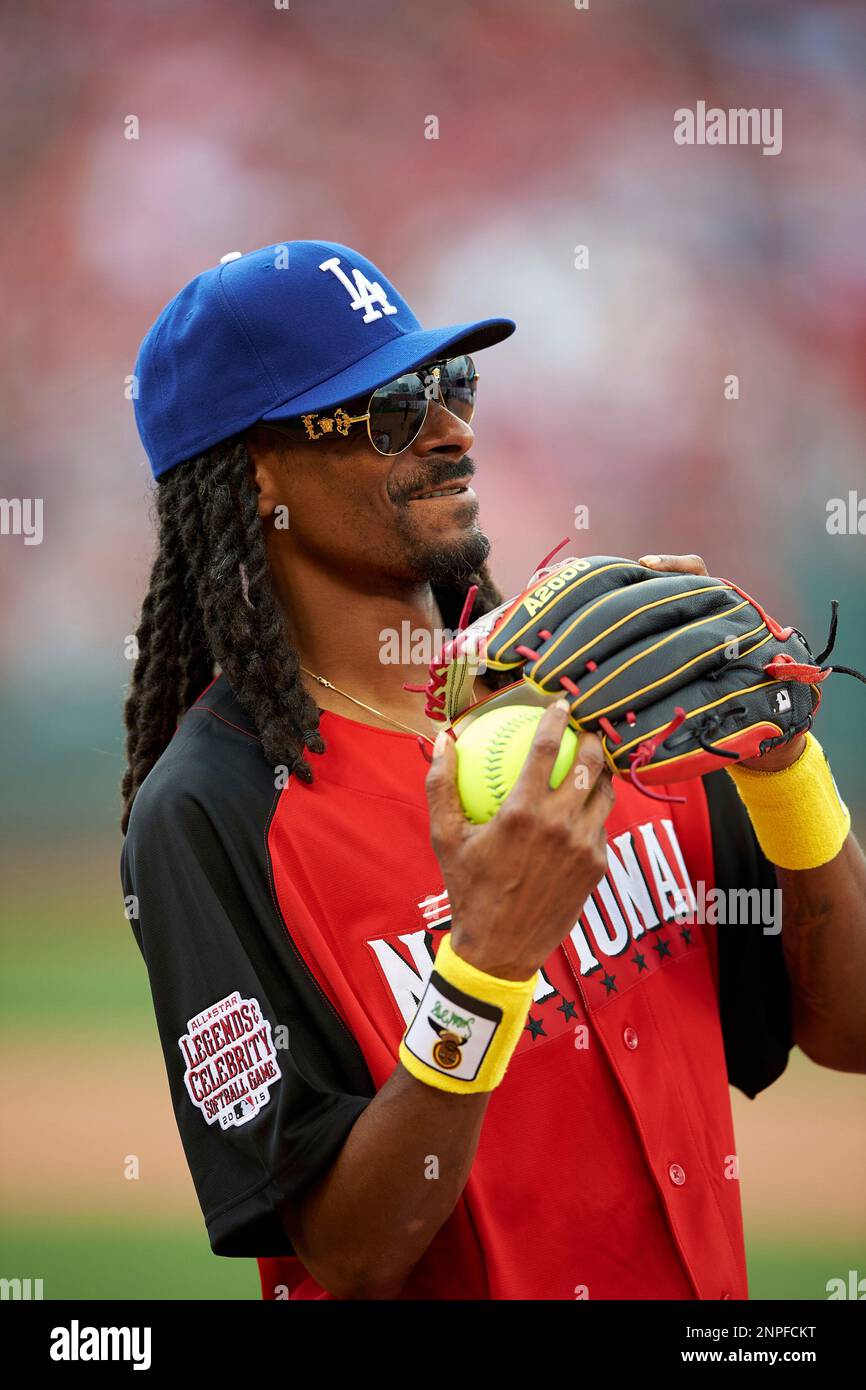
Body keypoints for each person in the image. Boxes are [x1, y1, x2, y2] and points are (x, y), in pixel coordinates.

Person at [121, 240, 866, 1301]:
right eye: (385, 413)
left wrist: (782, 770)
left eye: (447, 384)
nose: (451, 431)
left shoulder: (608, 686)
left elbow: (847, 1027)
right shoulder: (213, 807)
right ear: (255, 472)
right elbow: (347, 1251)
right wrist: (482, 968)